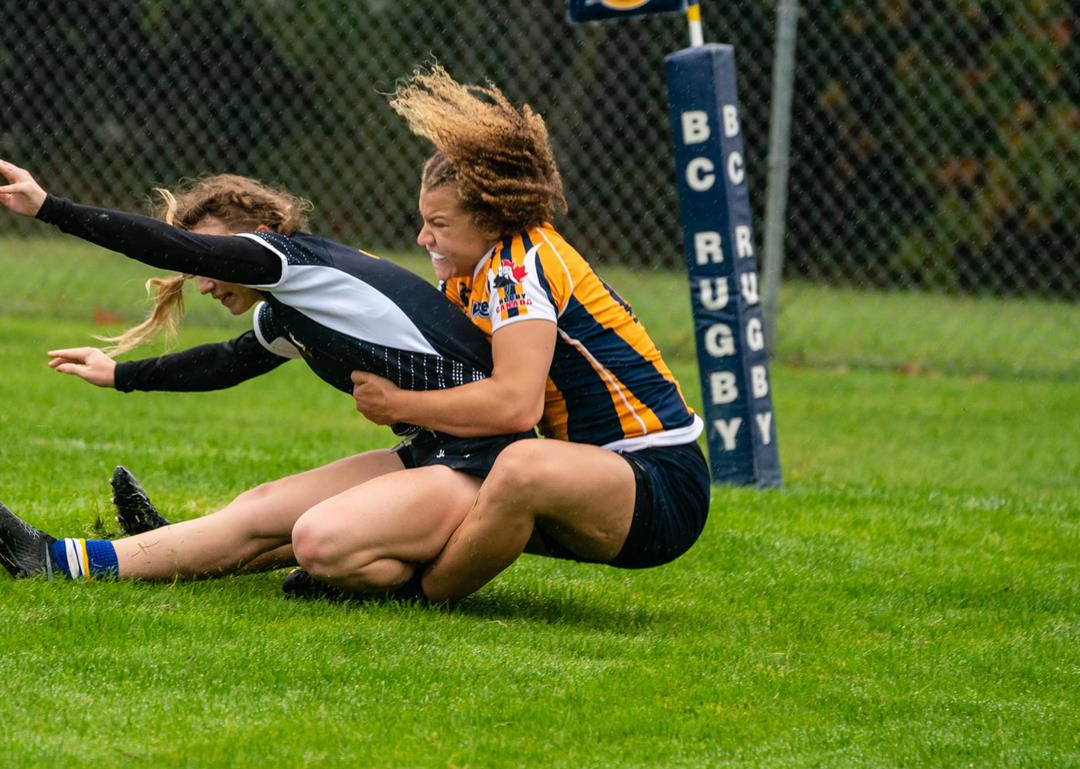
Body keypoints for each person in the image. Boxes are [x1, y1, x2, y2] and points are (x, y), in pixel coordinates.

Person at [114, 65, 710, 605]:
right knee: (316, 509)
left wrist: (399, 404)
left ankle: (420, 596)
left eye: (439, 224)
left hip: (653, 483)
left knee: (519, 466)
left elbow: (515, 403)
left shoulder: (519, 265)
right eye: (422, 221)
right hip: (561, 471)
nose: (424, 238)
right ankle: (180, 549)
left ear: (491, 217)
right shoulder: (471, 275)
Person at [0, 156, 533, 595]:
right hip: (439, 452)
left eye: (212, 258)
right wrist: (121, 375)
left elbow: (167, 244)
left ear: (261, 235)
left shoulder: (294, 261)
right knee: (254, 508)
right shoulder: (292, 303)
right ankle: (163, 545)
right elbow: (226, 363)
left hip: (485, 468)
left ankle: (56, 561)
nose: (207, 279)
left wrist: (51, 208)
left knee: (317, 538)